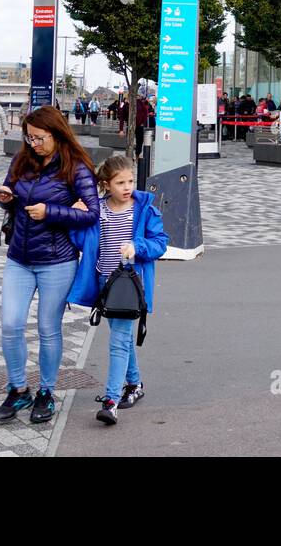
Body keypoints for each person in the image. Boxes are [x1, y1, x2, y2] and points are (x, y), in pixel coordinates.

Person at [0, 106, 99, 424]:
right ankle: (18, 389)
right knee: (11, 325)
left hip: (57, 260)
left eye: (39, 138)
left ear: (55, 133)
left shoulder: (76, 168)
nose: (33, 143)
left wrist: (51, 211)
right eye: (29, 137)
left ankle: (46, 392)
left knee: (47, 329)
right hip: (20, 258)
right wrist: (5, 197)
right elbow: (10, 190)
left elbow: (92, 213)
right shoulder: (22, 161)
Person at [68, 155, 169, 425]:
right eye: (120, 182)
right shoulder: (97, 210)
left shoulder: (144, 209)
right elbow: (81, 243)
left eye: (130, 181)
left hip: (130, 285)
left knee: (118, 341)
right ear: (105, 184)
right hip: (105, 283)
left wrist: (138, 246)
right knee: (121, 338)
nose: (127, 187)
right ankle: (134, 384)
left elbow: (160, 243)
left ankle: (111, 400)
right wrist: (77, 217)